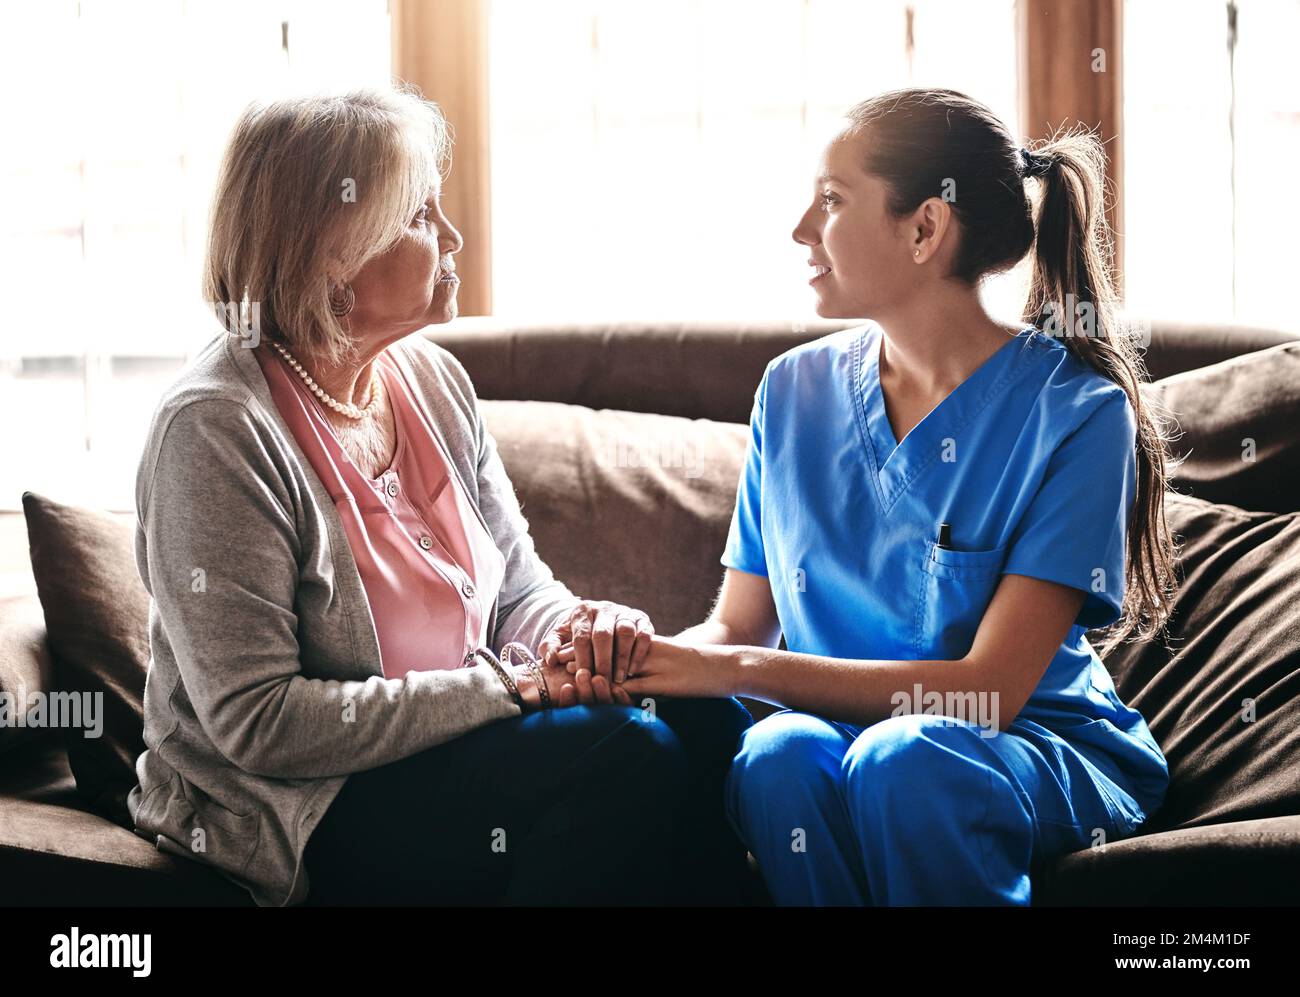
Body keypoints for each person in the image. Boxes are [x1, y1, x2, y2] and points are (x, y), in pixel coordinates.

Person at [126, 85, 752, 907]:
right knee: (623, 754)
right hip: (312, 797)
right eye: (421, 216)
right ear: (331, 252)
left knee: (704, 715)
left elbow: (520, 589)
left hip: (460, 744)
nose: (452, 237)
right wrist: (511, 687)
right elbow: (259, 723)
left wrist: (582, 635)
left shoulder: (431, 378)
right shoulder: (215, 428)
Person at [583, 87, 1176, 905]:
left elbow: (987, 690)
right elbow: (735, 624)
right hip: (840, 741)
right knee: (778, 755)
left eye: (831, 200)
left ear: (926, 227)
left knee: (905, 760)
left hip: (1019, 744)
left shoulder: (1079, 414)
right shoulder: (790, 391)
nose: (800, 229)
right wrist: (632, 659)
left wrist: (729, 665)